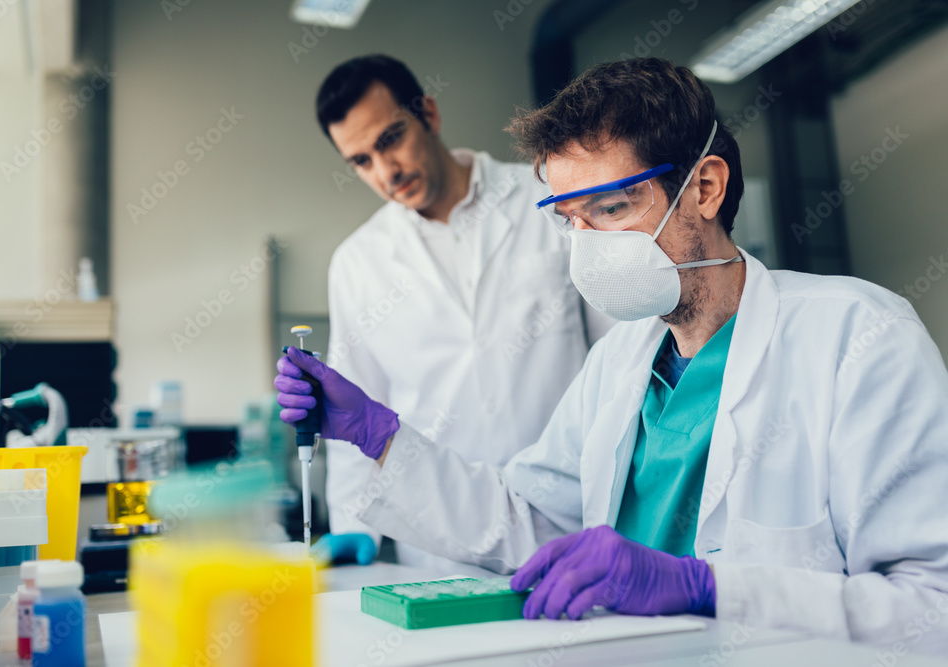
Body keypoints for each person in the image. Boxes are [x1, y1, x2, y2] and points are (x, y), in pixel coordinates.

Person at [278, 57, 948, 652]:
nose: (586, 247)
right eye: (569, 221)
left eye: (610, 207)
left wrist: (707, 587)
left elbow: (933, 610)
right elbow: (532, 521)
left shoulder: (858, 338)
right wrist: (377, 433)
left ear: (706, 188)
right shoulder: (620, 364)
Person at [311, 55, 611, 574]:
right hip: (439, 548)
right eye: (361, 161)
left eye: (390, 139)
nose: (386, 172)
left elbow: (622, 354)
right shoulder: (357, 263)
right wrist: (352, 531)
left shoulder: (548, 200)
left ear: (428, 113)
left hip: (572, 517)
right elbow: (354, 408)